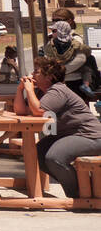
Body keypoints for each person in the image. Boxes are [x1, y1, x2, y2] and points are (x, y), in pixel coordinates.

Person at [14, 58, 101, 199]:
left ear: (49, 77)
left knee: (54, 158)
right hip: (71, 135)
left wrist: (29, 90)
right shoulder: (42, 92)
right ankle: (80, 190)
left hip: (90, 136)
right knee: (37, 152)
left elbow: (38, 110)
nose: (32, 74)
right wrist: (20, 90)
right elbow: (20, 110)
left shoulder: (58, 90)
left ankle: (81, 194)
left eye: (37, 71)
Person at [40, 18, 96, 101]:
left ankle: (86, 85)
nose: (53, 33)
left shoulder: (75, 43)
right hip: (57, 81)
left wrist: (60, 71)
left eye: (55, 31)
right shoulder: (50, 45)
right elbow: (48, 58)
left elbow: (81, 58)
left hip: (75, 81)